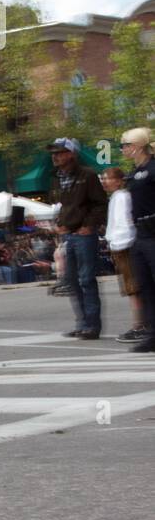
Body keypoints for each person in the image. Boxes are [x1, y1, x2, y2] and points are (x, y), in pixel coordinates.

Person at [47, 138, 108, 340]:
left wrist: (88, 225)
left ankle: (92, 325)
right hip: (68, 234)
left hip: (83, 235)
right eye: (54, 153)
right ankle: (82, 323)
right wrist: (59, 221)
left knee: (86, 279)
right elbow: (62, 205)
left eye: (59, 152)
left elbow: (100, 204)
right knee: (72, 280)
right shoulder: (57, 177)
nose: (55, 156)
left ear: (71, 154)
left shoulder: (87, 175)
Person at [101, 166, 146, 343]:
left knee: (133, 288)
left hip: (124, 246)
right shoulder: (116, 197)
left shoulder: (122, 197)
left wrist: (117, 244)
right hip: (121, 245)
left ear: (119, 180)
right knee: (132, 288)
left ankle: (139, 325)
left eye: (108, 178)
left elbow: (124, 224)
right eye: (103, 178)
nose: (104, 181)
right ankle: (140, 324)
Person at [121, 128, 155, 353]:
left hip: (154, 231)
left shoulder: (153, 168)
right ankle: (153, 333)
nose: (123, 149)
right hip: (140, 233)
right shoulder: (134, 172)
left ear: (137, 146)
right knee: (145, 286)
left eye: (125, 145)